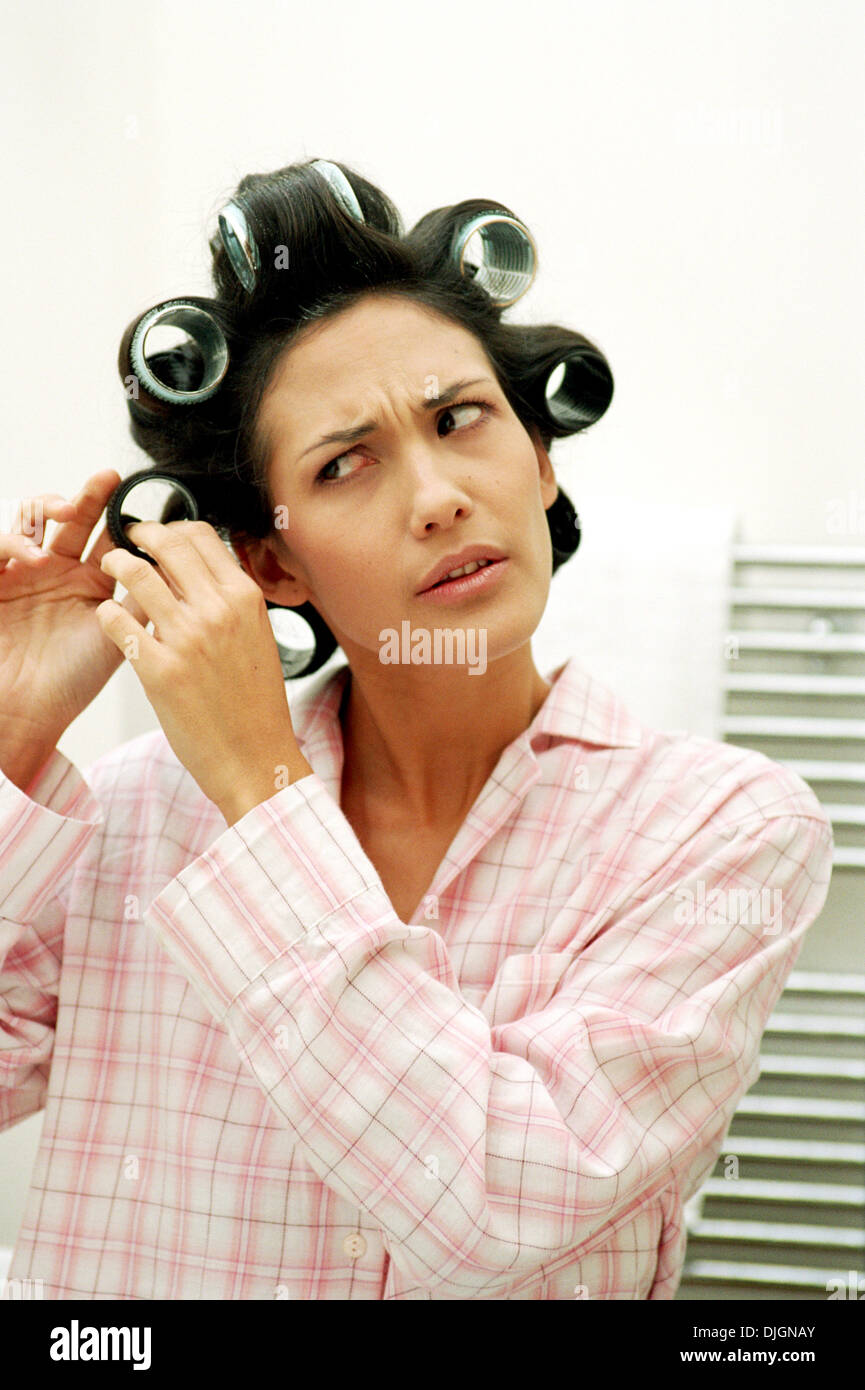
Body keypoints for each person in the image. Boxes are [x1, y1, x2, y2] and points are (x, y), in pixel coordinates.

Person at [0, 158, 833, 1300]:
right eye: (344, 463)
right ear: (269, 560)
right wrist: (9, 734)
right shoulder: (133, 815)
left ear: (539, 460)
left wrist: (260, 792)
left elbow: (493, 1206)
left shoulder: (718, 833)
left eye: (461, 419)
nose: (437, 493)